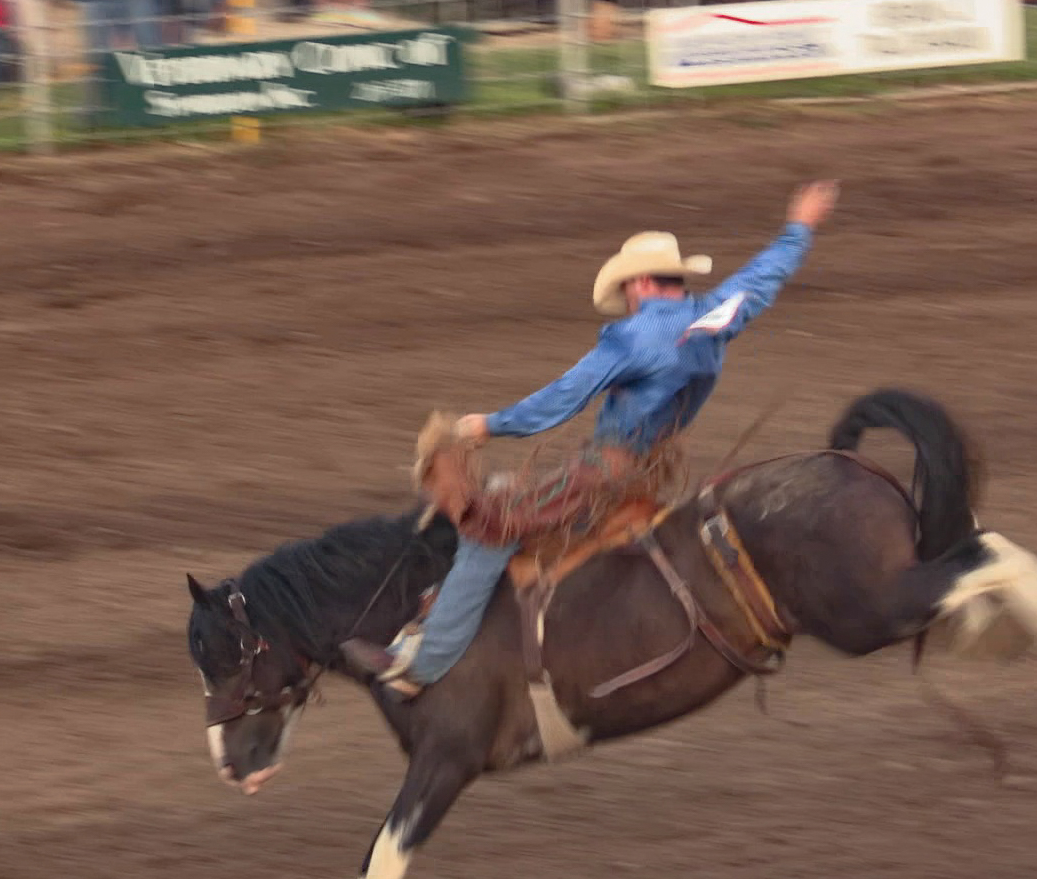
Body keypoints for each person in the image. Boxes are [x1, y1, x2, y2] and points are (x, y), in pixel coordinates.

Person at [342, 179, 842, 700]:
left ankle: (421, 665)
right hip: (650, 473)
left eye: (627, 291)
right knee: (508, 491)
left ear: (642, 283)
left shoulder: (634, 337)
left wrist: (488, 425)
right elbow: (764, 276)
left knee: (490, 527)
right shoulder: (718, 315)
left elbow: (565, 396)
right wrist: (800, 226)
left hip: (605, 475)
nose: (626, 302)